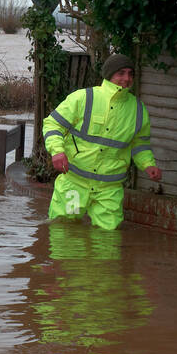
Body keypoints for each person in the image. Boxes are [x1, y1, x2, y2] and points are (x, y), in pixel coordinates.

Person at [42, 53, 162, 230]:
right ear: (109, 74)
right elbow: (53, 124)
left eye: (130, 74)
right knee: (63, 230)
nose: (126, 79)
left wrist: (148, 164)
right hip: (74, 184)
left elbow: (140, 144)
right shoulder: (84, 97)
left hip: (109, 189)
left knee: (108, 239)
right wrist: (57, 151)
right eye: (121, 73)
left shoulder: (138, 109)